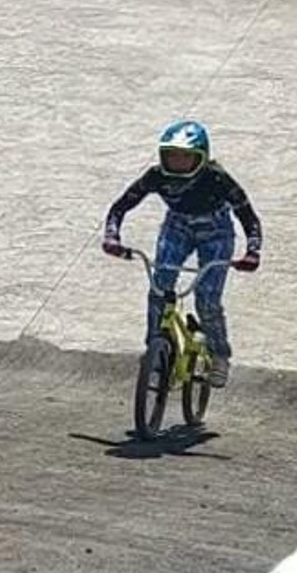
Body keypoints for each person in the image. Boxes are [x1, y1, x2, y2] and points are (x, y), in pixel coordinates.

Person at [102, 120, 263, 388]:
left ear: (202, 157)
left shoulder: (217, 179)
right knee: (159, 287)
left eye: (185, 157)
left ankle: (219, 354)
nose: (177, 162)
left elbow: (248, 216)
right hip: (177, 226)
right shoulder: (156, 176)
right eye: (171, 156)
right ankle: (154, 347)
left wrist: (252, 251)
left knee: (207, 300)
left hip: (216, 233)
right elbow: (120, 206)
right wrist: (112, 236)